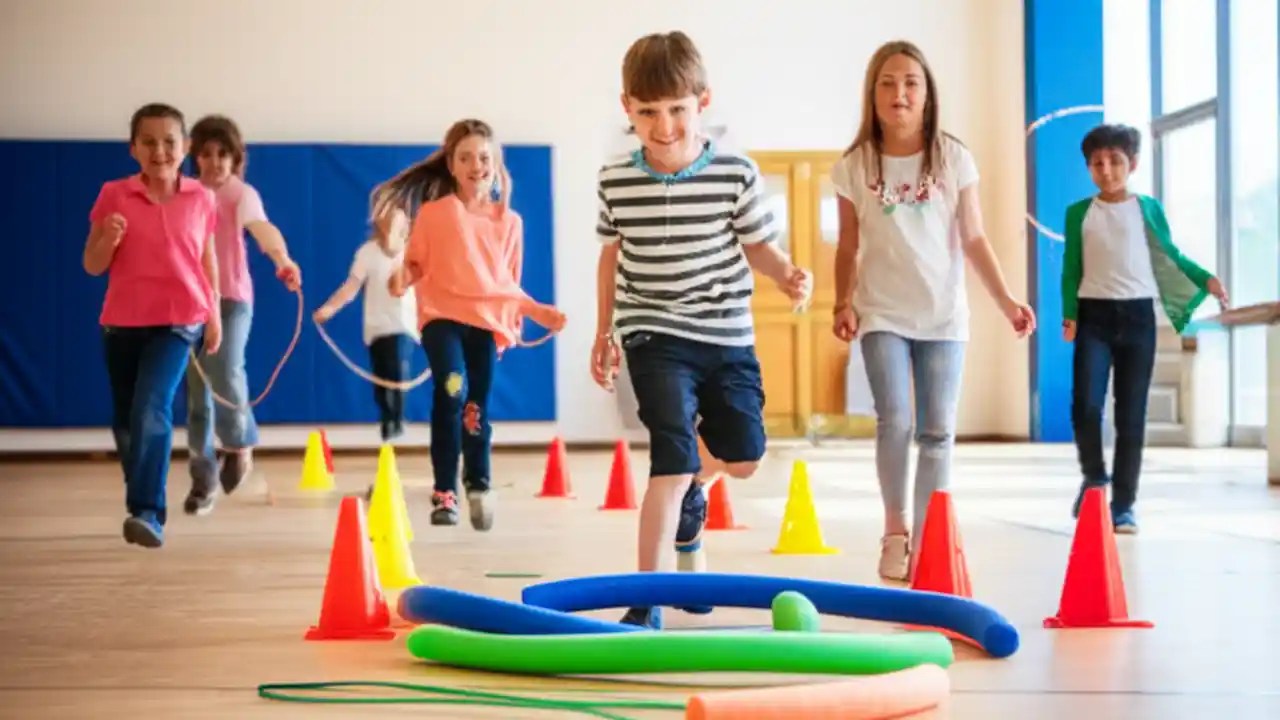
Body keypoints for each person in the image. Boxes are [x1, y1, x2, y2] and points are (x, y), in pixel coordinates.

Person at [592, 31, 813, 628]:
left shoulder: (735, 174)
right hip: (651, 332)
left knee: (744, 457)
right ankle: (647, 602)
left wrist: (786, 274)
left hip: (724, 334)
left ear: (702, 102)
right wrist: (604, 331)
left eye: (677, 110)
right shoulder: (615, 180)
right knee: (669, 457)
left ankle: (697, 491)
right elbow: (611, 256)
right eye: (647, 112)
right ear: (627, 108)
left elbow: (757, 245)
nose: (663, 127)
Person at [830, 41, 1036, 581]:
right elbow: (847, 245)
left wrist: (1007, 301)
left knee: (939, 431)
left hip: (944, 315)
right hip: (881, 313)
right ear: (872, 94)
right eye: (888, 83)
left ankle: (928, 538)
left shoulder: (953, 158)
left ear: (927, 93)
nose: (899, 93)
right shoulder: (854, 166)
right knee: (896, 420)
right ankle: (895, 532)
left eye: (911, 83)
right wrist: (842, 301)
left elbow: (974, 237)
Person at [384, 118, 565, 531]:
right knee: (452, 389)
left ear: (496, 163)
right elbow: (416, 263)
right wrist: (402, 277)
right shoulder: (435, 214)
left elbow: (506, 284)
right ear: (451, 165)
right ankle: (444, 490)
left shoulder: (510, 223)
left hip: (484, 323)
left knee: (475, 406)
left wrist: (534, 311)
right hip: (442, 318)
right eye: (465, 158)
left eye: (483, 157)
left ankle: (479, 483)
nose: (475, 165)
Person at [1061, 123, 1228, 533]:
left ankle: (1123, 506)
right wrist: (1070, 314)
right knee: (1085, 405)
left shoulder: (1147, 208)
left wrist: (1205, 278)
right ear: (1088, 167)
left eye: (1115, 161)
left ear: (1132, 164)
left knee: (1131, 415)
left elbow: (1171, 254)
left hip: (1139, 320)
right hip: (1094, 318)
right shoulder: (1079, 213)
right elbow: (1071, 268)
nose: (1106, 170)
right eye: (1097, 163)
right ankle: (1094, 478)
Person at [82, 103, 222, 548]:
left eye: (169, 141)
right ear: (133, 149)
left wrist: (214, 314)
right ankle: (141, 486)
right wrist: (109, 238)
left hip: (180, 321)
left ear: (186, 147)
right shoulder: (113, 194)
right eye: (148, 142)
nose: (159, 150)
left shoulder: (201, 198)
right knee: (127, 420)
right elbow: (92, 264)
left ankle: (146, 512)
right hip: (121, 323)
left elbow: (207, 258)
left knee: (151, 407)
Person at [182, 115, 301, 516]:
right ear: (195, 157)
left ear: (235, 158)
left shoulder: (240, 194)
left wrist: (282, 259)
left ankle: (239, 443)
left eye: (223, 154)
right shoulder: (186, 193)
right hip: (190, 303)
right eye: (206, 154)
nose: (215, 162)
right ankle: (203, 478)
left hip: (232, 299)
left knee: (226, 367)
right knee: (197, 393)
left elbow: (261, 226)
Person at [313, 207, 420, 441]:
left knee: (398, 369)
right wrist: (329, 309)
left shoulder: (413, 252)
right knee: (381, 375)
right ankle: (387, 418)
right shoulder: (367, 253)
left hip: (403, 325)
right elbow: (351, 287)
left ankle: (397, 417)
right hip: (376, 328)